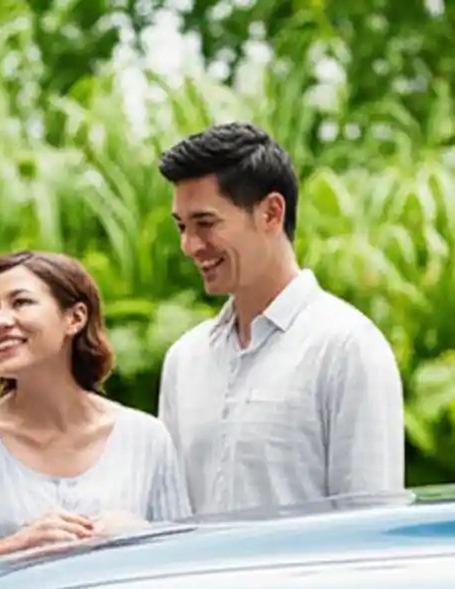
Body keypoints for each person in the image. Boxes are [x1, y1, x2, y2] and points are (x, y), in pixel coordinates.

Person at [0, 250, 191, 589]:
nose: (0, 321)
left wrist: (136, 538)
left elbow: (182, 575)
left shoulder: (147, 438)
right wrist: (9, 551)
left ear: (75, 318)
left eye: (20, 302)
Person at [155, 121, 406, 515]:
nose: (190, 245)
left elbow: (372, 528)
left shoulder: (346, 347)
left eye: (205, 224)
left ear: (271, 213)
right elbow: (168, 516)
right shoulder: (184, 360)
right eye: (182, 227)